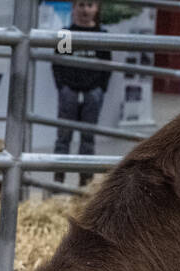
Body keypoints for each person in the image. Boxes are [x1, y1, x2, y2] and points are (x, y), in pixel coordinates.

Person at [51, 0, 112, 185]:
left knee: (88, 137)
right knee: (63, 136)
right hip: (69, 90)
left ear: (97, 8)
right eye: (81, 5)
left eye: (90, 5)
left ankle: (85, 182)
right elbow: (58, 63)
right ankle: (57, 179)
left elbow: (107, 66)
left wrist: (100, 89)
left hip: (93, 92)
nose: (85, 10)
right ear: (73, 8)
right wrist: (62, 87)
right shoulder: (66, 34)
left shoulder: (102, 35)